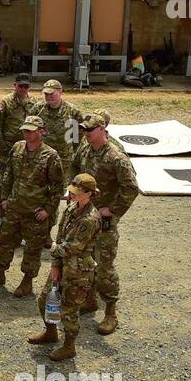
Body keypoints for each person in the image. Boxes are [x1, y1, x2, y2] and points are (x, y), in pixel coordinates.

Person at [70, 114, 140, 335]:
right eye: (84, 129)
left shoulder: (115, 157)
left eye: (90, 130)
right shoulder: (84, 149)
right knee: (84, 260)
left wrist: (113, 209)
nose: (86, 133)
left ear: (102, 129)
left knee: (104, 265)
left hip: (104, 219)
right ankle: (90, 301)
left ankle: (110, 311)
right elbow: (74, 169)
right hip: (84, 215)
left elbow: (130, 187)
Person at [0, 115, 64, 296]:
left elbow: (58, 187)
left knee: (32, 249)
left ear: (41, 132)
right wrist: (3, 199)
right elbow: (7, 175)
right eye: (25, 130)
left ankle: (27, 282)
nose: (26, 133)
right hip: (14, 208)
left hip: (35, 213)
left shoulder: (51, 156)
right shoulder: (17, 148)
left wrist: (47, 210)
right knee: (3, 243)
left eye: (31, 130)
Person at [31, 173, 102, 362]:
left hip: (78, 270)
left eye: (77, 193)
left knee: (69, 310)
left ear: (89, 193)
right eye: (71, 192)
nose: (72, 196)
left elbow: (74, 247)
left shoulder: (90, 218)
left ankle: (69, 346)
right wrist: (55, 263)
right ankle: (51, 333)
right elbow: (61, 235)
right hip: (62, 264)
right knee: (45, 299)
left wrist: (54, 249)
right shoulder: (71, 208)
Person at [0, 73, 33, 215]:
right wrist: (3, 147)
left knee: (25, 179)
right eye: (20, 86)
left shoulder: (35, 103)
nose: (23, 89)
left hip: (28, 149)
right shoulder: (5, 103)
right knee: (5, 179)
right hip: (7, 149)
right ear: (15, 85)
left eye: (26, 86)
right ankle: (2, 209)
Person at [32, 79, 83, 165]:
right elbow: (30, 130)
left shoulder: (72, 111)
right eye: (46, 94)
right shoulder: (38, 109)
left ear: (60, 92)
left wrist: (76, 154)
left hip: (64, 158)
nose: (48, 96)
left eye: (51, 94)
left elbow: (79, 134)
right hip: (42, 157)